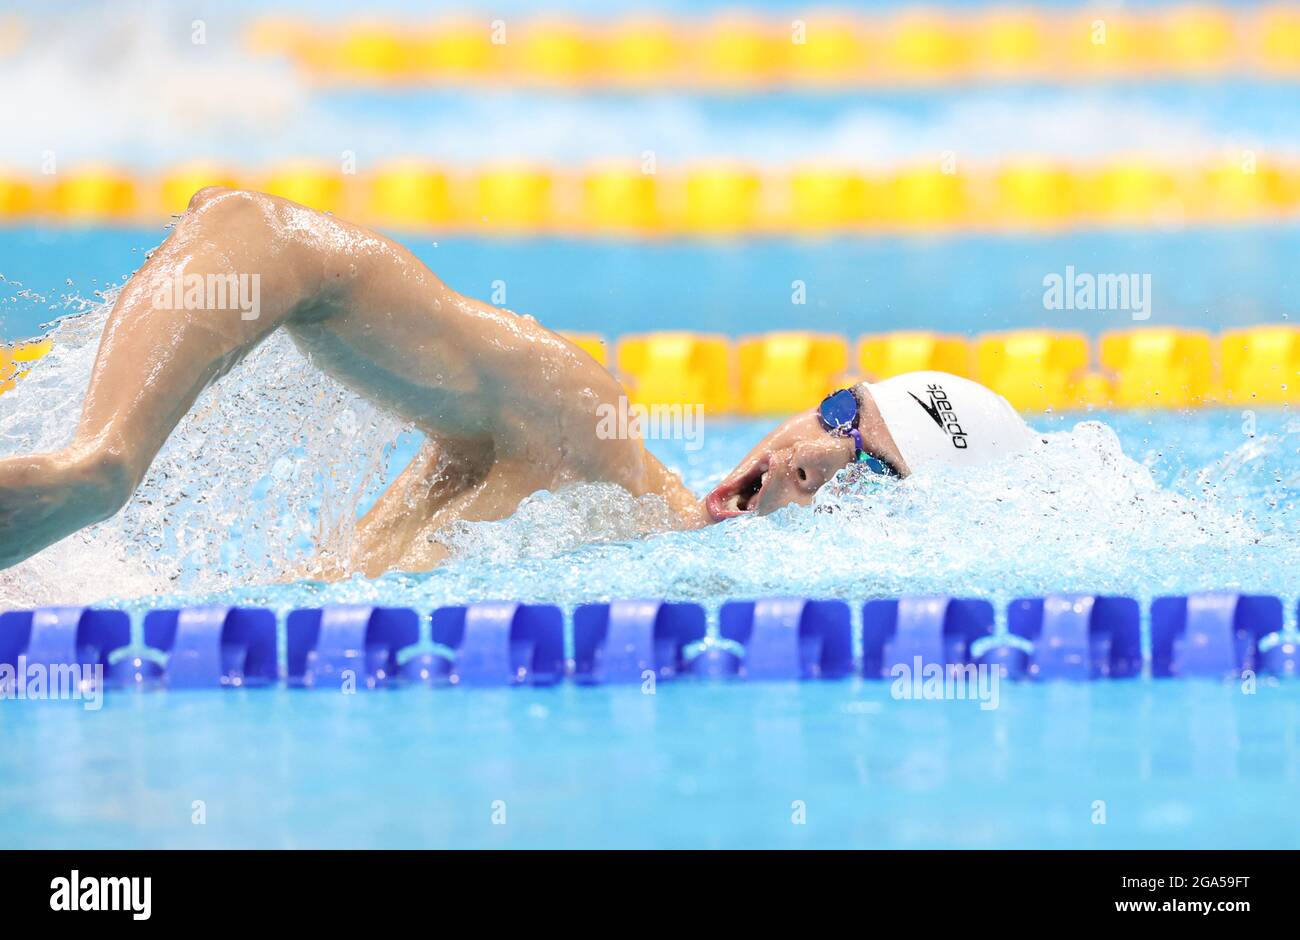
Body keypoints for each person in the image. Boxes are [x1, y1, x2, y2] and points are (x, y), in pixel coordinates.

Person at [0, 188, 1034, 577]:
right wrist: (104, 460)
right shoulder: (584, 436)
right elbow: (259, 234)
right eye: (840, 412)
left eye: (871, 465)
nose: (812, 451)